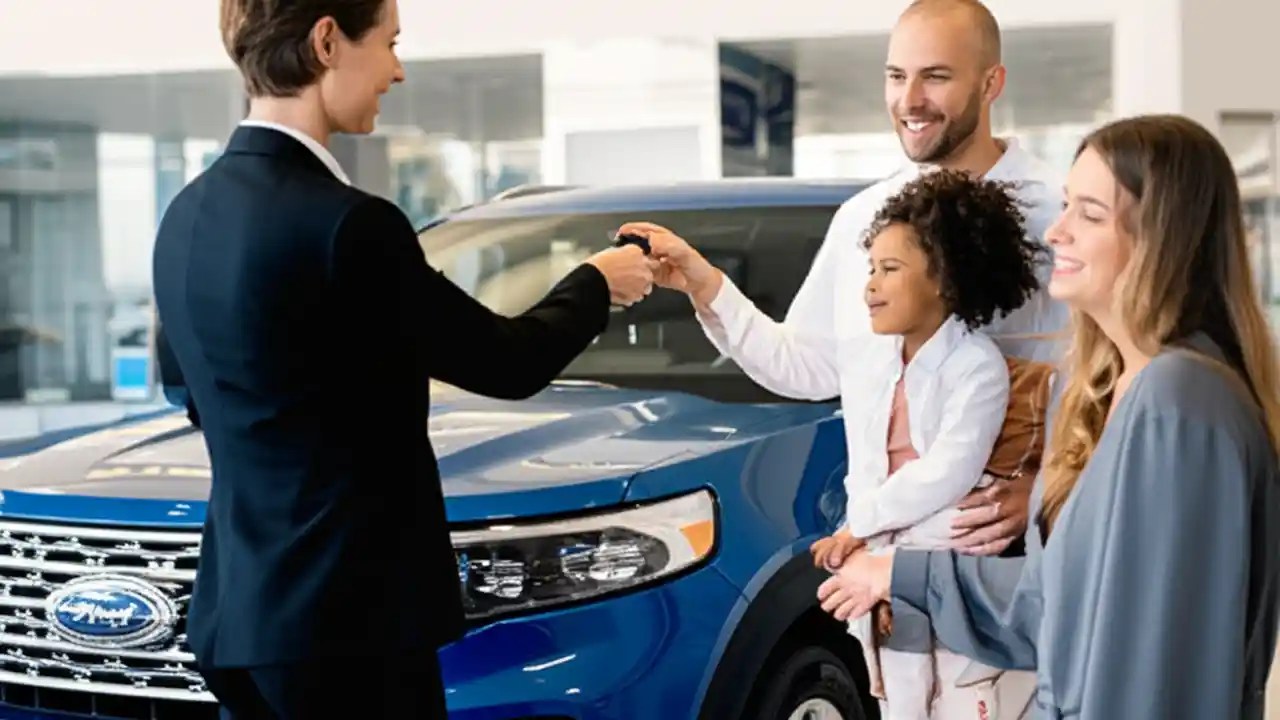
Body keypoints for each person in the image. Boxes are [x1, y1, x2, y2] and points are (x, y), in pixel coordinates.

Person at [151, 1, 655, 718]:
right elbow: (508, 363)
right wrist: (597, 282)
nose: (397, 70)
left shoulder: (186, 214)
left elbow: (193, 393)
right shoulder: (349, 224)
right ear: (328, 40)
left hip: (238, 619)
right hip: (350, 627)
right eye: (389, 43)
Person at [816, 114, 1280, 719]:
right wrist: (898, 573)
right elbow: (1054, 604)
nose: (1057, 232)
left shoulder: (1179, 403)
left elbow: (1155, 668)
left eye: (1090, 214)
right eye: (1065, 206)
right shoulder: (1103, 391)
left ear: (1163, 238)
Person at [619, 0, 1066, 562]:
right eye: (896, 76)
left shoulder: (1061, 214)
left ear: (991, 83)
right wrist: (704, 283)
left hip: (1012, 558)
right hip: (875, 557)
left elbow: (1114, 384)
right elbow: (805, 365)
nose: (910, 100)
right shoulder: (864, 219)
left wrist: (1050, 489)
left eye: (935, 77)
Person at [806, 168, 1045, 718]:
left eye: (889, 269)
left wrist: (862, 529)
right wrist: (856, 534)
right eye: (871, 268)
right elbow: (870, 470)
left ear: (944, 279)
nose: (870, 286)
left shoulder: (977, 366)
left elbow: (948, 473)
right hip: (893, 556)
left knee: (959, 695)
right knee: (899, 695)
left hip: (946, 559)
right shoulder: (879, 364)